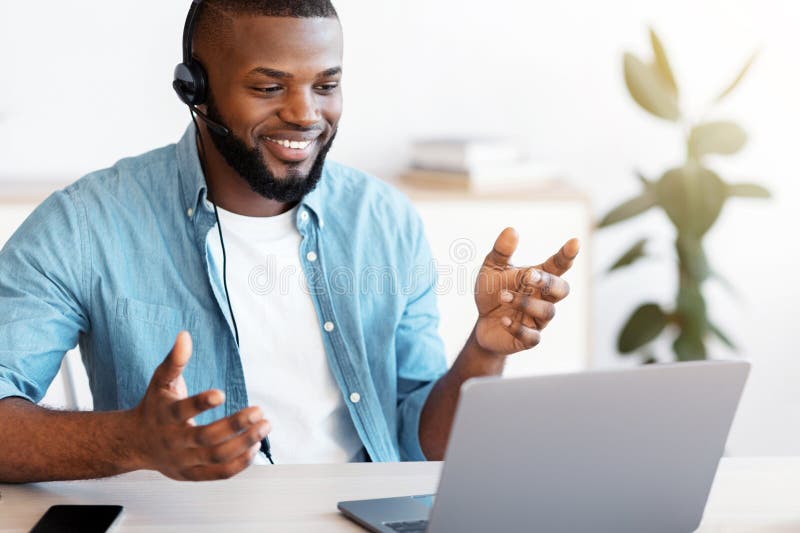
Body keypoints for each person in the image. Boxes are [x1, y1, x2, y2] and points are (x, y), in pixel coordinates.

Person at [0, 0, 579, 483]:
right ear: (193, 89)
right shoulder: (85, 224)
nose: (305, 114)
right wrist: (130, 441)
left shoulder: (384, 221)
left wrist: (484, 352)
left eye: (326, 84)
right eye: (269, 85)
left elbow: (421, 447)